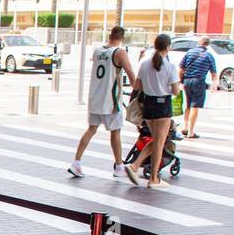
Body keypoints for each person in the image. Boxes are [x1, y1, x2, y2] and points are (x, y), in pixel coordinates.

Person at [68, 26, 137, 179]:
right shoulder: (119, 52)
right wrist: (137, 88)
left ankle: (76, 162)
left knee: (91, 129)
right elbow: (130, 72)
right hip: (110, 100)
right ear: (122, 38)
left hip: (95, 97)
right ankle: (119, 166)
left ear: (110, 35)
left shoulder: (98, 51)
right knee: (115, 131)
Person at [127, 33, 182, 189]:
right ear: (168, 47)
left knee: (157, 140)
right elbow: (176, 91)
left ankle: (135, 165)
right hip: (163, 106)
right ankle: (153, 179)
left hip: (148, 106)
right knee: (159, 143)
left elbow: (137, 87)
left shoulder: (144, 64)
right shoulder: (170, 67)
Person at [179, 36, 217, 139]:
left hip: (187, 81)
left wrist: (180, 81)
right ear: (207, 45)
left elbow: (181, 68)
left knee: (187, 104)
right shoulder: (209, 56)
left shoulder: (189, 52)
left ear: (198, 43)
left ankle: (185, 125)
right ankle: (190, 131)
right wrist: (214, 85)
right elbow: (213, 72)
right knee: (194, 106)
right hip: (199, 82)